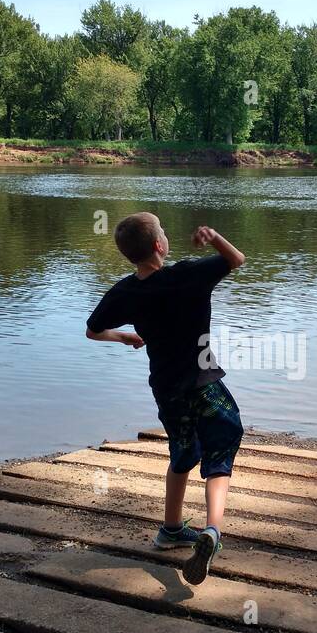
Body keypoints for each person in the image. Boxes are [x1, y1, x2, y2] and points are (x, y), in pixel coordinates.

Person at [86, 212, 245, 584]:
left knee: (183, 450)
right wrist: (215, 235)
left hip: (166, 387)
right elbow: (236, 260)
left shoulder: (126, 291)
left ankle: (171, 528)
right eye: (164, 231)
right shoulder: (189, 274)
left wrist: (123, 337)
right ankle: (212, 530)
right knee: (221, 448)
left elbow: (93, 331)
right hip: (203, 382)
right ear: (160, 245)